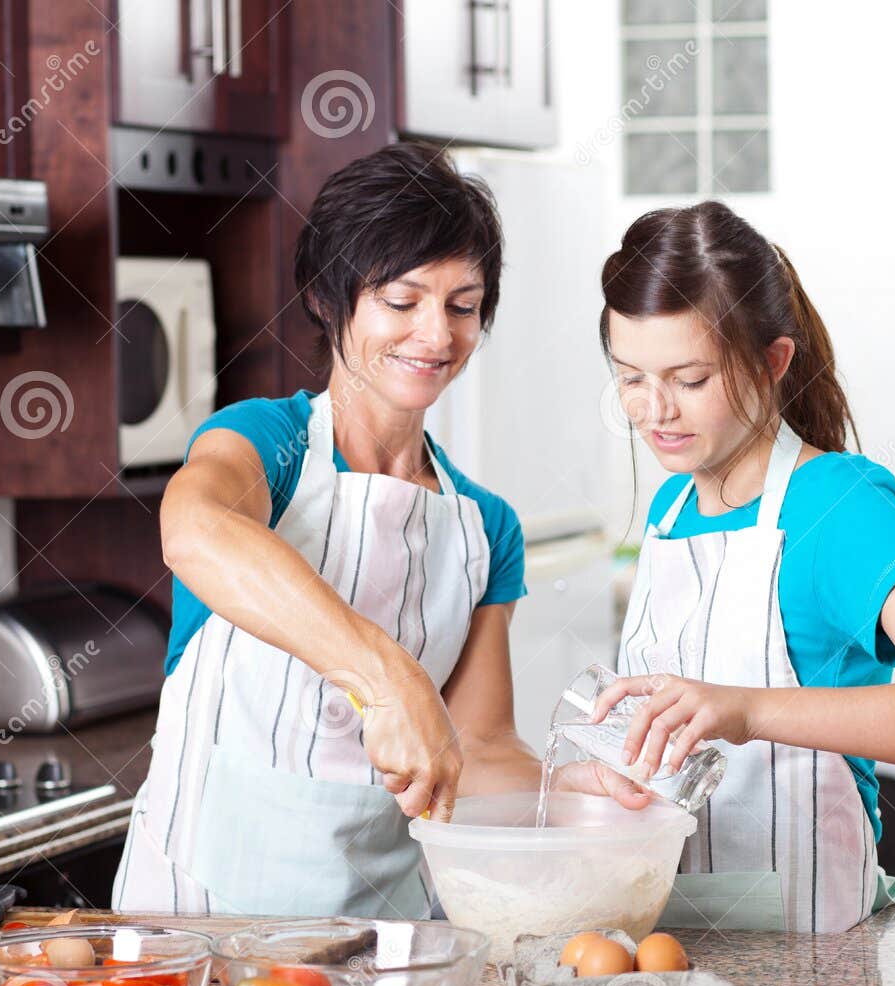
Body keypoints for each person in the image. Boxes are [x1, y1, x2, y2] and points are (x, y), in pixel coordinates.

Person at [112, 143, 609, 916]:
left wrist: (567, 791)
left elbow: (477, 747)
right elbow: (197, 532)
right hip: (200, 913)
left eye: (462, 306)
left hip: (377, 930)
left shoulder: (485, 527)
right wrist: (386, 680)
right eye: (401, 301)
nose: (436, 335)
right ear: (325, 296)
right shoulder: (266, 445)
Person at [586, 202, 895, 932]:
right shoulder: (671, 509)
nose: (654, 410)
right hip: (679, 936)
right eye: (630, 378)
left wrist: (748, 710)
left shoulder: (838, 504)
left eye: (690, 378)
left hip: (811, 955)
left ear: (773, 361)